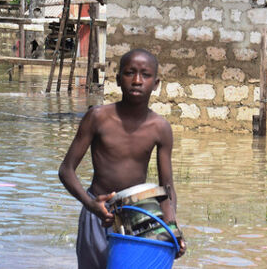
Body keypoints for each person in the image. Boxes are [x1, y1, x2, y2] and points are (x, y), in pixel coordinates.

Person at [59, 49, 185, 268]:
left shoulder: (160, 128)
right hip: (98, 213)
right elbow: (66, 170)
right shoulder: (97, 117)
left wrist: (171, 228)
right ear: (118, 80)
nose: (137, 81)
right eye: (130, 73)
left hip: (139, 218)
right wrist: (91, 204)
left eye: (145, 75)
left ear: (156, 84)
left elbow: (166, 189)